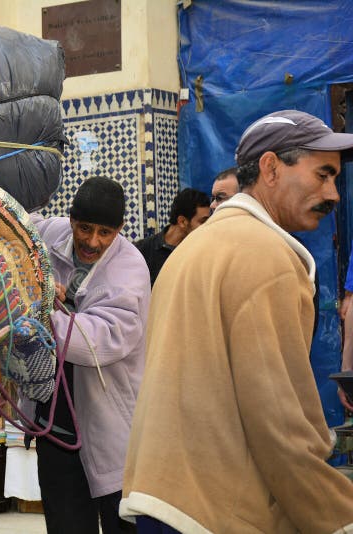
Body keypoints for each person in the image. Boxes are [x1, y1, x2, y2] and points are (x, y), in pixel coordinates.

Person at [121, 110, 353, 533]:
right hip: (215, 509)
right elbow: (279, 424)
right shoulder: (267, 258)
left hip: (163, 497)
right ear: (270, 168)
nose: (333, 193)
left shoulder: (197, 246)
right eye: (323, 175)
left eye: (335, 179)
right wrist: (337, 517)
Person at [31, 176, 150, 534]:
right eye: (84, 228)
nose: (91, 241)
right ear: (70, 220)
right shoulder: (52, 235)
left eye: (104, 233)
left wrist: (37, 308)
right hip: (55, 421)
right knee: (66, 522)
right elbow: (19, 227)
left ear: (120, 230)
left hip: (108, 418)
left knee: (120, 521)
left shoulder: (129, 271)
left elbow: (98, 341)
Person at [134, 188, 210, 286]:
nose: (208, 226)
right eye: (203, 221)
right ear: (182, 222)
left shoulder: (202, 252)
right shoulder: (142, 251)